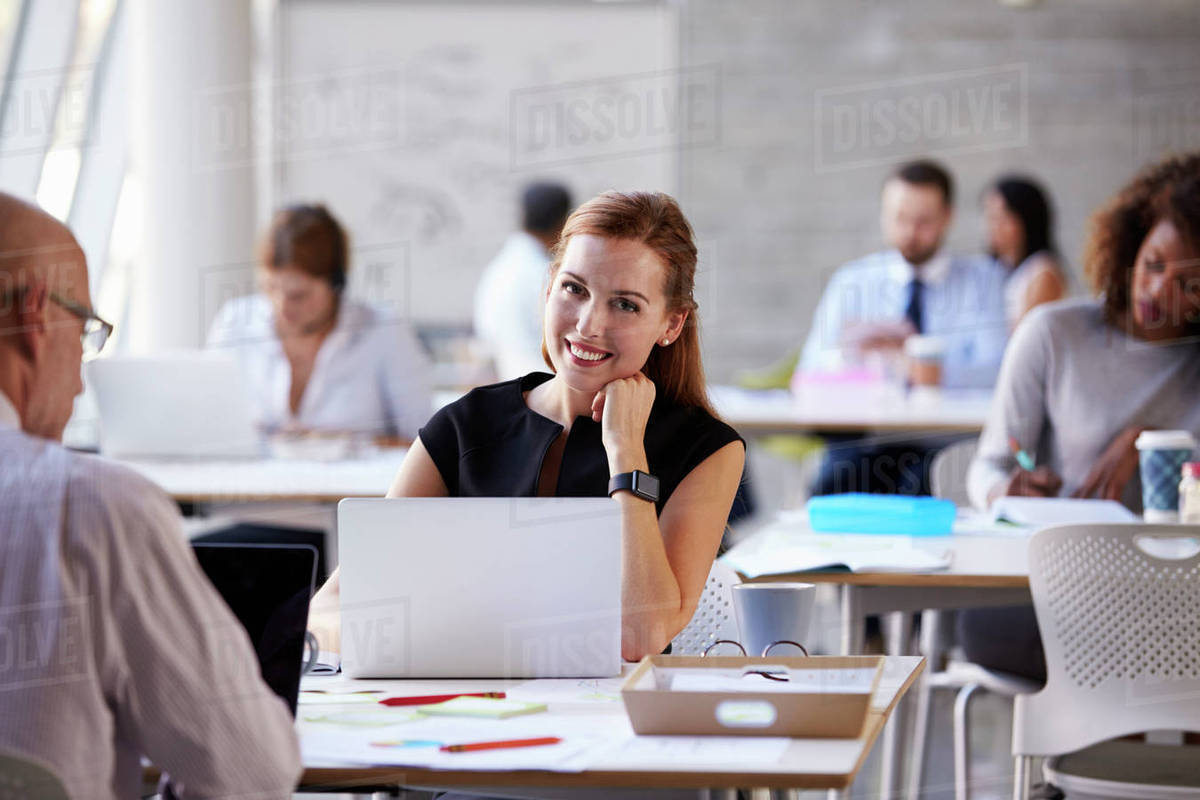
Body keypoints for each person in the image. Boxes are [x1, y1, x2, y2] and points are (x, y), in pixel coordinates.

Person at [311, 191, 745, 661]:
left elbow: (640, 637)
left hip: (619, 724)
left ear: (672, 324)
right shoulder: (466, 426)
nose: (588, 324)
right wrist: (442, 638)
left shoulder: (707, 450)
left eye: (625, 305)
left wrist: (625, 452)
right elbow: (329, 608)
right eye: (574, 289)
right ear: (547, 289)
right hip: (463, 713)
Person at [0, 193, 300, 798]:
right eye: (83, 329)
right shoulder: (92, 511)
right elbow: (255, 771)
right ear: (36, 318)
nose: (82, 382)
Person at [961, 151, 1200, 681]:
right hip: (1055, 590)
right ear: (1132, 246)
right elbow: (990, 467)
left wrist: (1150, 440)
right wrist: (1006, 493)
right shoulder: (1055, 334)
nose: (1159, 292)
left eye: (1190, 285)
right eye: (1154, 264)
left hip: (1178, 599)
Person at [799, 159, 1009, 495]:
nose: (911, 232)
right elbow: (812, 368)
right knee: (831, 486)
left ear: (947, 218)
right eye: (899, 218)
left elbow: (998, 372)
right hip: (865, 439)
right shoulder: (853, 281)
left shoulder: (984, 282)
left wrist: (920, 370)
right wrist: (861, 362)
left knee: (930, 484)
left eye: (924, 221)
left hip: (943, 444)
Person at [207, 203, 432, 441]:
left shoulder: (385, 331)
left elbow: (426, 446)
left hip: (356, 477)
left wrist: (343, 443)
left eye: (299, 295)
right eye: (270, 288)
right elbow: (207, 421)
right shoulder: (235, 321)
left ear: (336, 283)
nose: (281, 306)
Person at [473, 182, 573, 381]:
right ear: (564, 222)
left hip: (512, 388)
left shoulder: (498, 271)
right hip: (547, 388)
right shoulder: (546, 275)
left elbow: (486, 337)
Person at [982, 175, 1068, 329]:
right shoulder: (1001, 268)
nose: (993, 227)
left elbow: (1027, 340)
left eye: (1002, 218)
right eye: (990, 217)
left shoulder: (1042, 273)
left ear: (1026, 220)